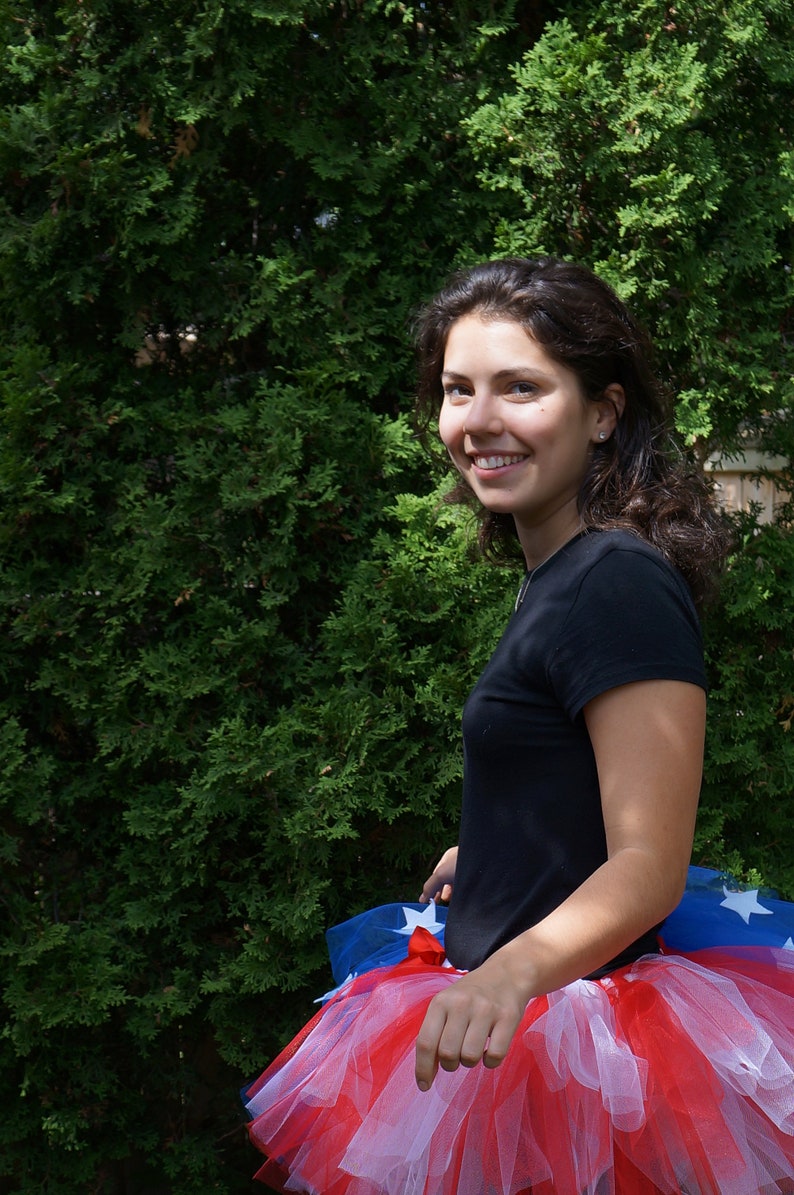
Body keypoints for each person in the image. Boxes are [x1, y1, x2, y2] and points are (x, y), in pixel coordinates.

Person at [243, 257, 794, 1194]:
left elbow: (650, 865)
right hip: (517, 1015)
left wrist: (509, 973)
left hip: (568, 1046)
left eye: (522, 388)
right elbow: (573, 767)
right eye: (459, 390)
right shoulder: (562, 576)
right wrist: (498, 845)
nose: (479, 421)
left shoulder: (615, 581)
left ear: (604, 412)